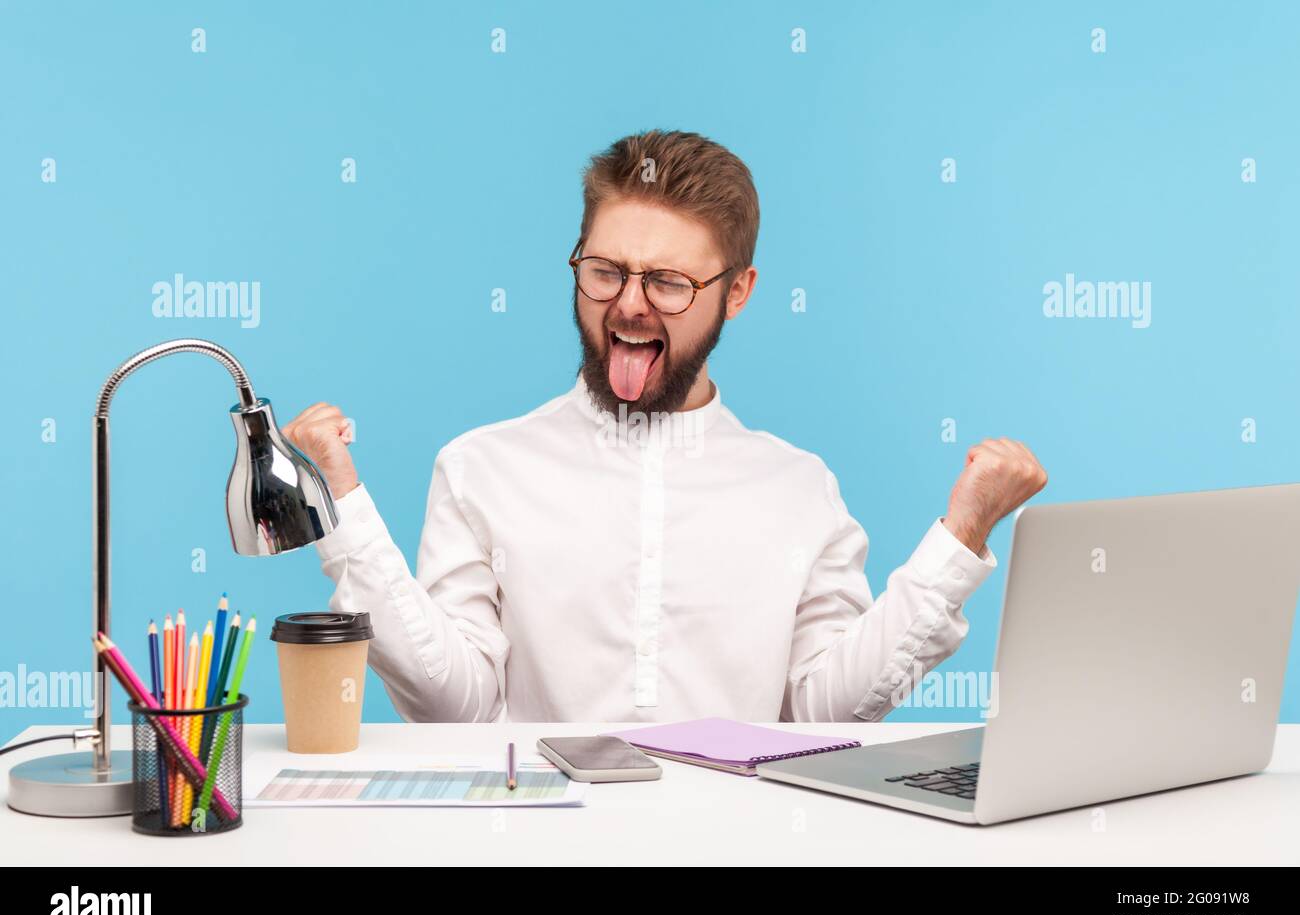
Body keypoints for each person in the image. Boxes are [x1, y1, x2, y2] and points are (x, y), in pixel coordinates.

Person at [284, 129, 1047, 723]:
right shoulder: (481, 466)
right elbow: (453, 706)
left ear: (737, 292)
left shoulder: (799, 488)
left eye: (671, 283)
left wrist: (964, 532)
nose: (629, 306)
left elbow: (825, 713)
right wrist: (342, 506)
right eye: (606, 271)